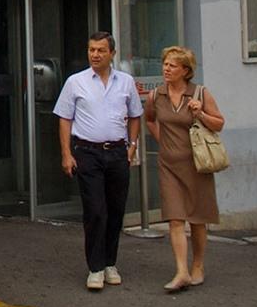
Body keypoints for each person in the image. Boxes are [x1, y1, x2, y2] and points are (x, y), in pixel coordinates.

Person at [54, 31, 143, 291]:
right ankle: (95, 268)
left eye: (101, 50)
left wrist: (132, 145)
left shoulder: (125, 82)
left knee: (115, 210)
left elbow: (136, 115)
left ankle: (109, 263)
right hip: (87, 151)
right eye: (91, 50)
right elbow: (64, 118)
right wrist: (66, 153)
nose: (95, 54)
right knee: (95, 210)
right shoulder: (75, 82)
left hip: (117, 152)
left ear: (112, 53)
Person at [144, 45, 225, 292]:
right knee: (175, 218)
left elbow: (219, 123)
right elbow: (149, 119)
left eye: (172, 66)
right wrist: (163, 141)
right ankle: (181, 271)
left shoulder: (199, 93)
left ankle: (197, 266)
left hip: (196, 164)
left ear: (185, 71)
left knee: (198, 219)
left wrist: (200, 114)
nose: (166, 70)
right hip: (168, 164)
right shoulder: (156, 95)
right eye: (165, 64)